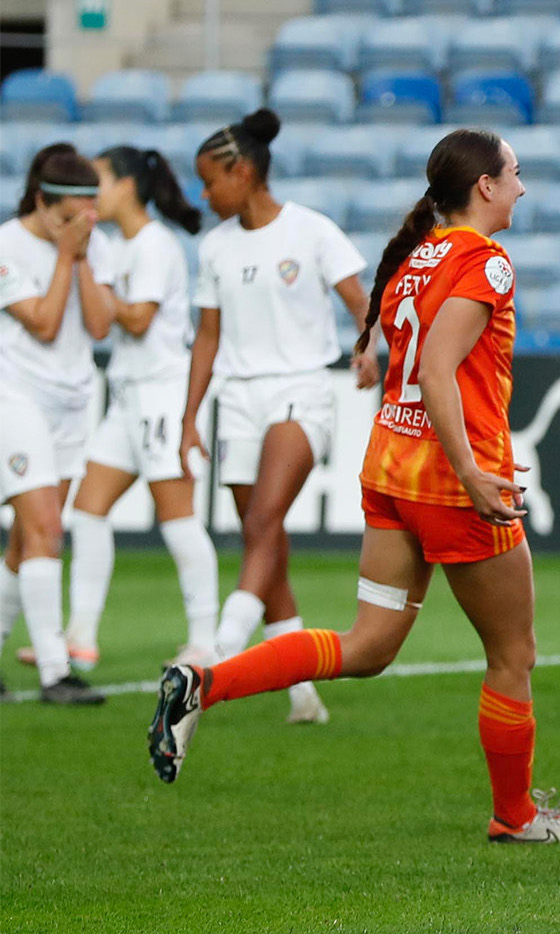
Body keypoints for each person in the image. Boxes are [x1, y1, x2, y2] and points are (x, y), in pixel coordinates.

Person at [148, 128, 560, 844]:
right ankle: (514, 815)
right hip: (454, 486)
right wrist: (472, 475)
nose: (521, 185)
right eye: (514, 173)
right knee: (513, 657)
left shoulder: (417, 257)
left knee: (367, 647)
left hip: (391, 472)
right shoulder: (487, 262)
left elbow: (410, 368)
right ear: (484, 186)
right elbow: (436, 371)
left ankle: (205, 683)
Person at [179, 109, 374, 725]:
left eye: (210, 182)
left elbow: (360, 303)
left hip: (302, 389)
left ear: (243, 173)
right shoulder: (213, 247)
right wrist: (189, 416)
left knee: (264, 520)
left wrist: (370, 346)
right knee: (267, 540)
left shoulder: (311, 231)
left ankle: (219, 649)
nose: (203, 195)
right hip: (237, 398)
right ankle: (303, 693)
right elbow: (207, 337)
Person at [60, 147, 220, 672]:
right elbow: (107, 321)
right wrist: (84, 262)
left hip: (160, 394)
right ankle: (80, 635)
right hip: (127, 394)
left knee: (176, 518)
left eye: (99, 181)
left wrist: (89, 271)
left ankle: (205, 637)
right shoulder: (116, 246)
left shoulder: (155, 246)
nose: (92, 194)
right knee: (87, 511)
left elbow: (136, 320)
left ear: (126, 185)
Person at [0, 145, 114, 703]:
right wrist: (68, 257)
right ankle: (53, 672)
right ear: (42, 203)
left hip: (72, 400)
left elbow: (97, 326)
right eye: (69, 215)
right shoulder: (6, 245)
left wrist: (85, 255)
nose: (81, 226)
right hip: (15, 396)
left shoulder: (96, 247)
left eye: (89, 214)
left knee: (28, 540)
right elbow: (43, 324)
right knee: (47, 528)